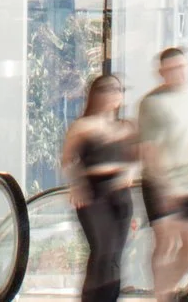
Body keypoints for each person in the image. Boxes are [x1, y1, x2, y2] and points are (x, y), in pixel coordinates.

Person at [138, 47, 188, 300]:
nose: (179, 73)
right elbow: (149, 148)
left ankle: (165, 288)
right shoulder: (151, 103)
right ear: (162, 72)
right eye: (171, 69)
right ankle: (163, 294)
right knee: (167, 242)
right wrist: (165, 186)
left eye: (182, 67)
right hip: (160, 182)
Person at [61, 72, 140, 302]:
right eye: (108, 90)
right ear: (95, 94)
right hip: (93, 194)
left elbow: (137, 157)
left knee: (115, 254)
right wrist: (77, 184)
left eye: (118, 90)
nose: (114, 95)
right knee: (102, 250)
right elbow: (67, 160)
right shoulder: (82, 126)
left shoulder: (126, 127)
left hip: (120, 194)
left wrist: (130, 172)